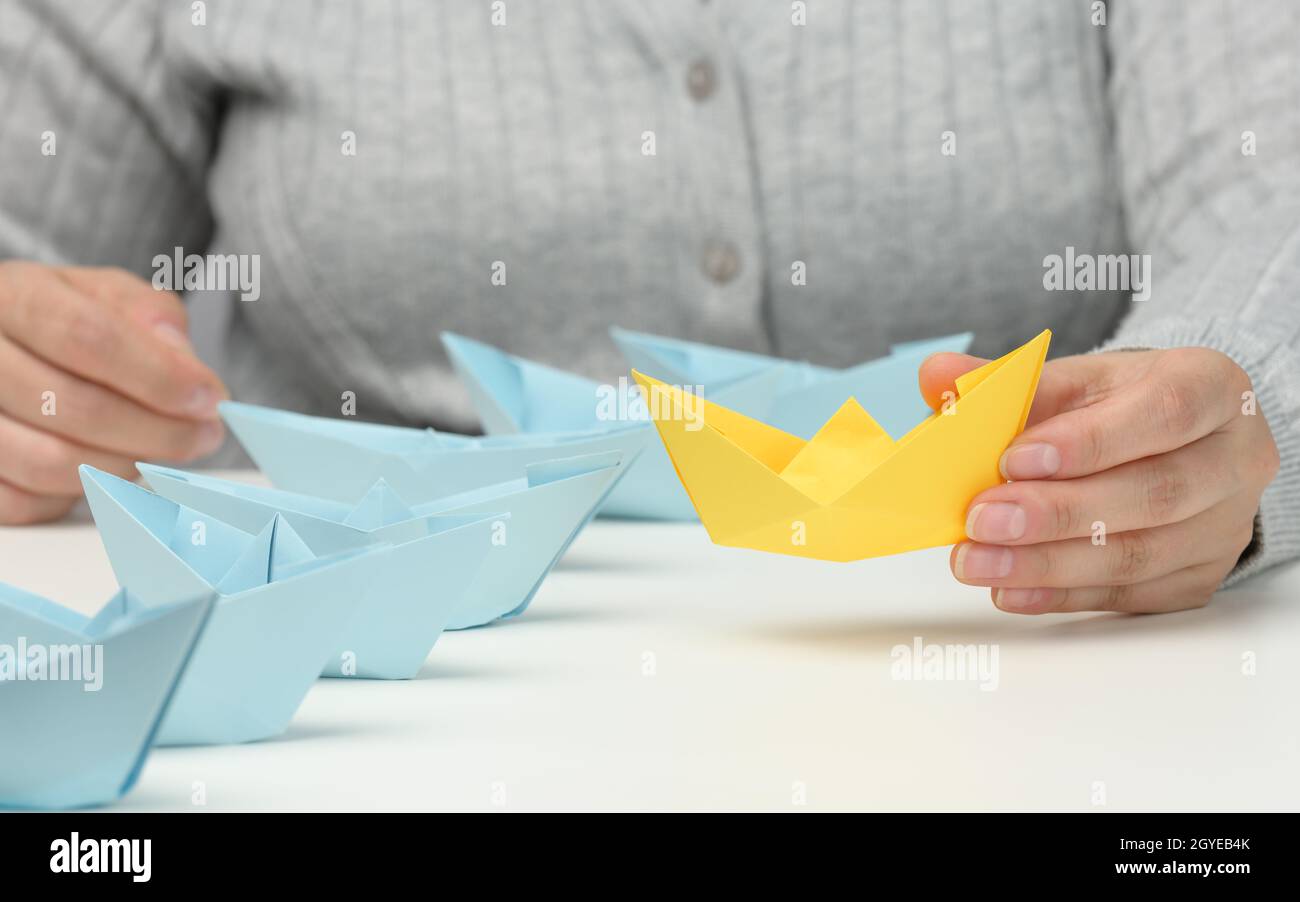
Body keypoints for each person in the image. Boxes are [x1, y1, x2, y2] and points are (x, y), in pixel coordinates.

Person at [0, 0, 1293, 615]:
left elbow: (1269, 204)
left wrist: (1225, 410)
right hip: (377, 700)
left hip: (1040, 654)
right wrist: (32, 366)